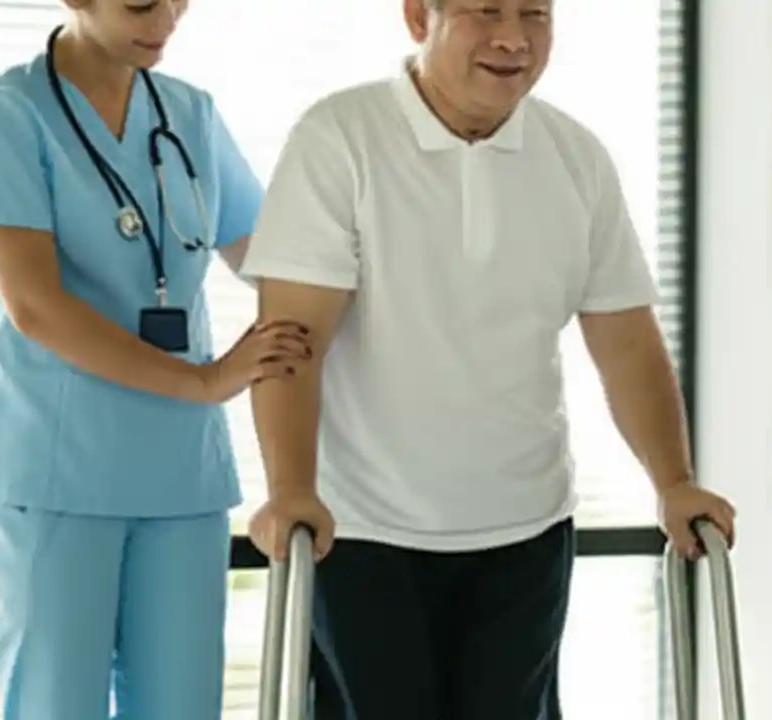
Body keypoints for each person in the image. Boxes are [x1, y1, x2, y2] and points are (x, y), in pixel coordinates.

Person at [241, 0, 737, 717]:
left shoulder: (575, 157)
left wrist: (675, 480)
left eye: (535, 14)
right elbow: (293, 338)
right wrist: (290, 487)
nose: (513, 38)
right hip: (363, 531)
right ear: (419, 16)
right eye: (486, 11)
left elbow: (625, 339)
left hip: (526, 529)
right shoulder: (341, 136)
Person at [0, 1, 310, 717]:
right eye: (142, 3)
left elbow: (279, 260)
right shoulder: (6, 113)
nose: (167, 18)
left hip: (180, 477)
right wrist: (206, 379)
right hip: (55, 469)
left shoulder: (192, 116)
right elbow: (35, 305)